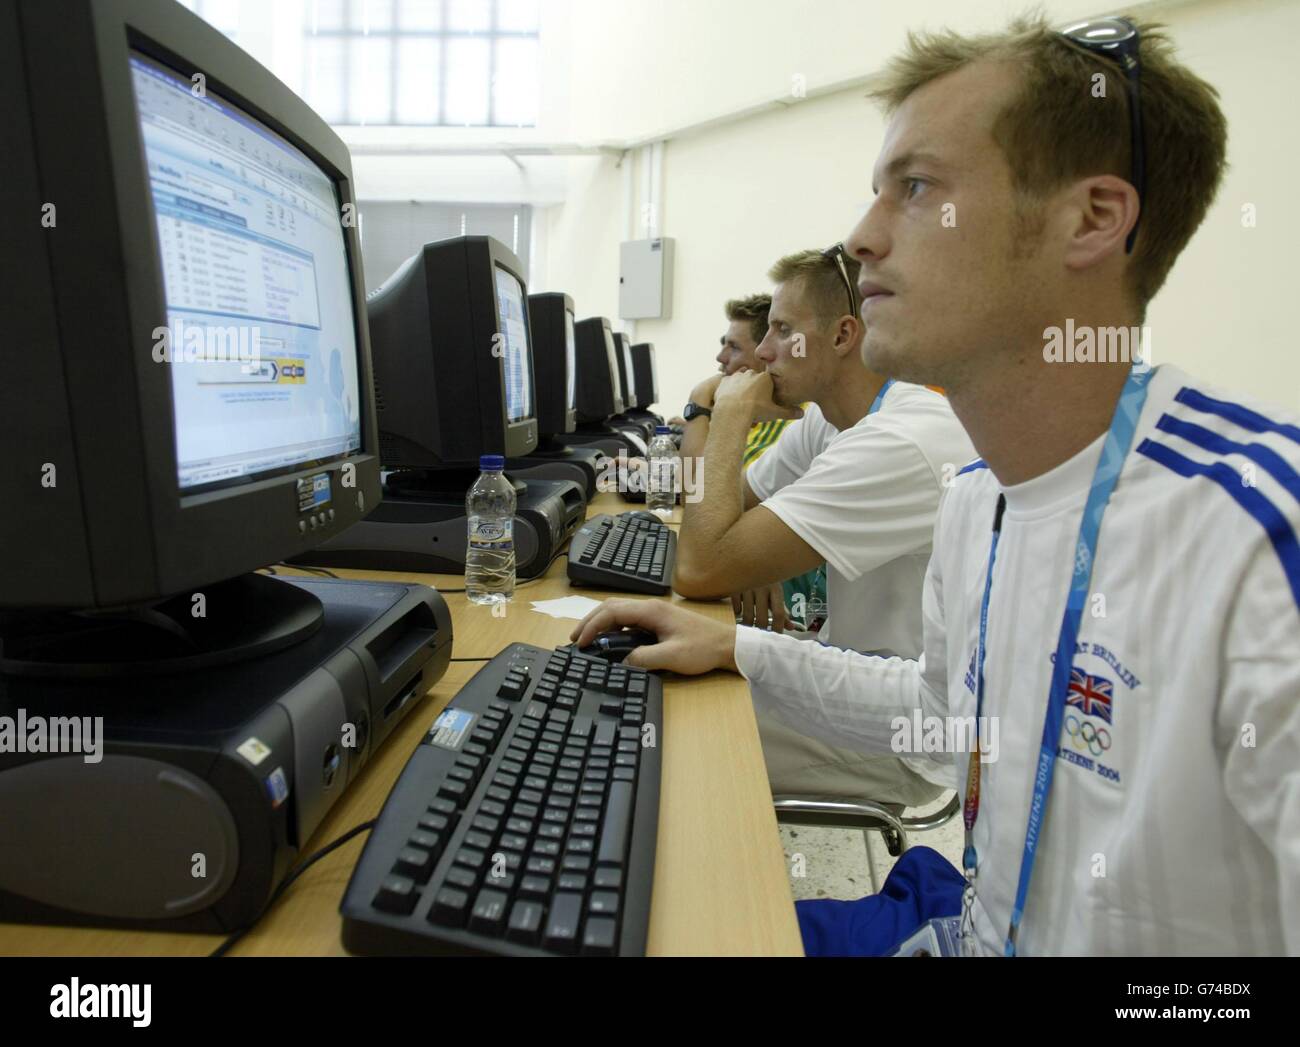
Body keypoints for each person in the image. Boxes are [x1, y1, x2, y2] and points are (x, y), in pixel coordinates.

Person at [573, 14, 1300, 956]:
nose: (861, 238)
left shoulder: (1259, 540)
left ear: (1093, 218)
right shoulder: (977, 498)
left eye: (915, 189)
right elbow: (941, 713)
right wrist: (737, 648)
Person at [675, 249, 975, 808]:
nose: (762, 354)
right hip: (854, 677)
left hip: (904, 737)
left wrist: (729, 415)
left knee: (672, 728)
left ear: (842, 336)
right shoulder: (828, 419)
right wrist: (702, 418)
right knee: (671, 680)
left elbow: (699, 566)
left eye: (782, 330)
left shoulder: (901, 439)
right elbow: (722, 516)